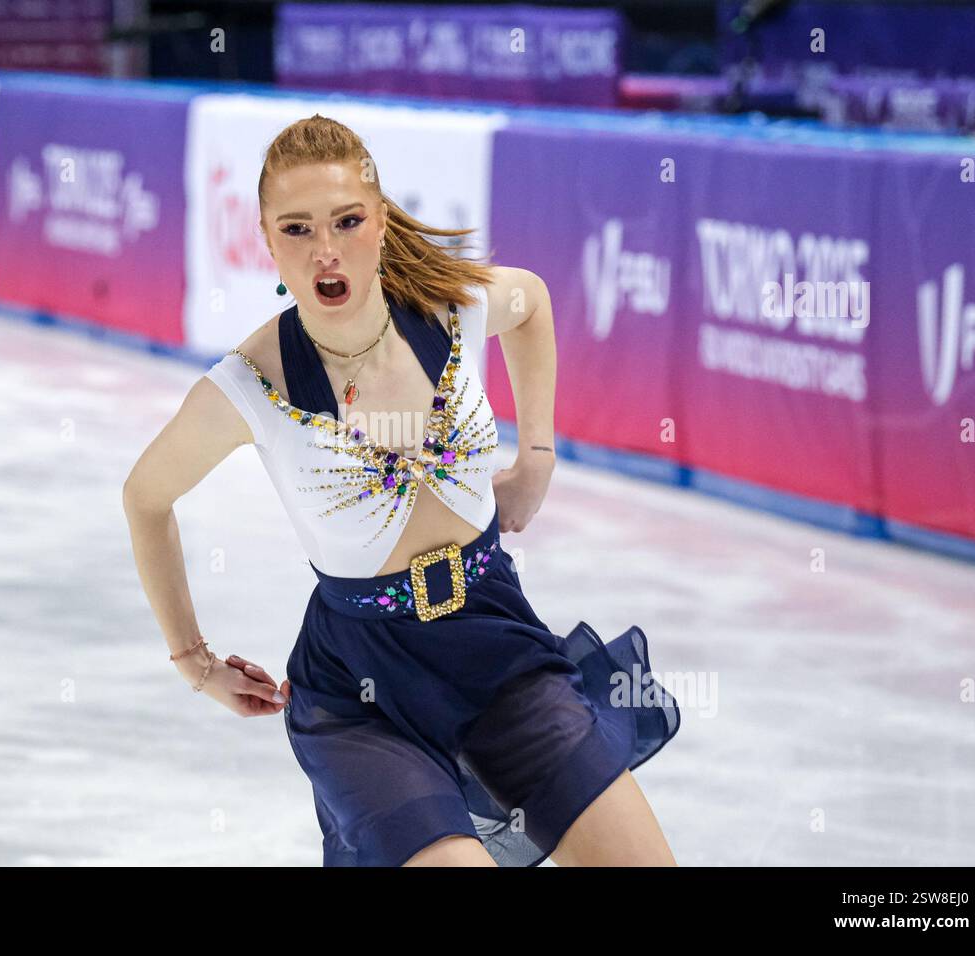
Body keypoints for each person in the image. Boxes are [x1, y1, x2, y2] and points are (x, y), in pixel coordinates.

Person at [123, 114, 681, 867]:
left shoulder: (454, 308)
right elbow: (146, 497)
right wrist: (194, 662)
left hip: (496, 642)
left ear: (381, 221)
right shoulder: (251, 384)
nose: (325, 250)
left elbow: (534, 303)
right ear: (265, 238)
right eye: (296, 229)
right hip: (360, 696)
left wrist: (538, 456)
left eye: (347, 221)